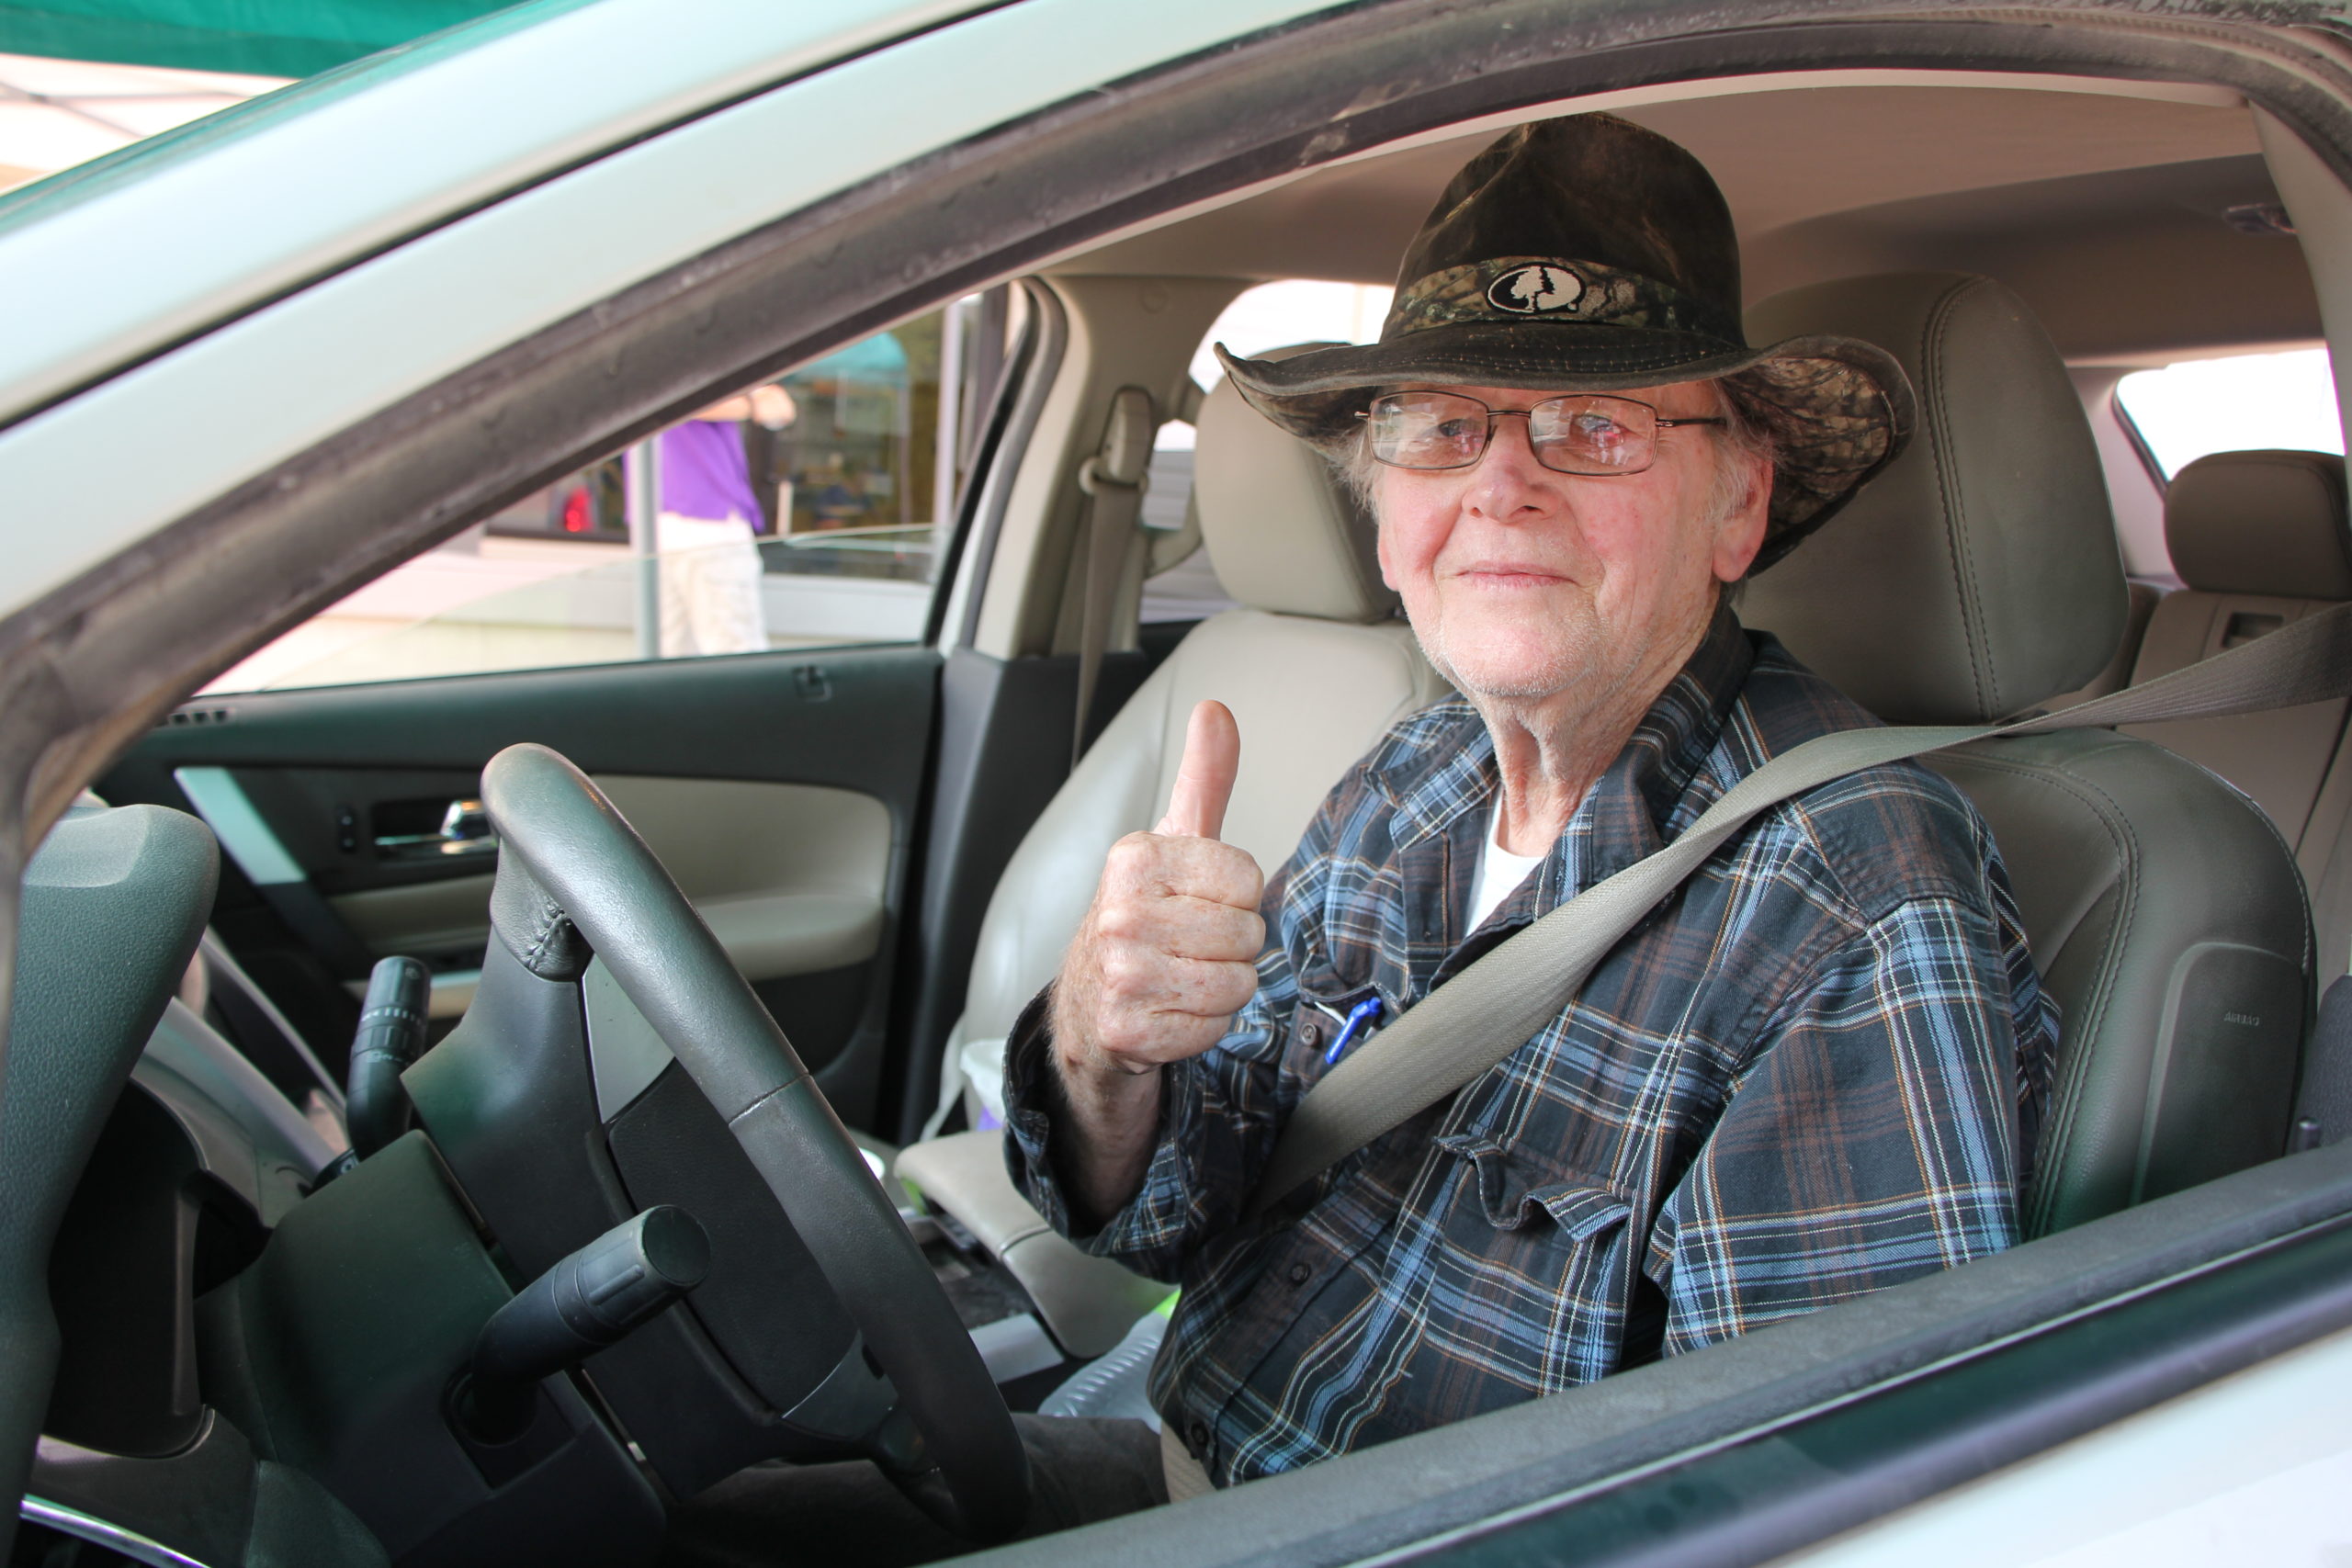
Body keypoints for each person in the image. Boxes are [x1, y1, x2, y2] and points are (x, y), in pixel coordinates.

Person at [1001, 111, 2058, 1498]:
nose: (1501, 484)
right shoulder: (1414, 776)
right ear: (1387, 516)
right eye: (1444, 427)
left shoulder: (1855, 897)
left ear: (1737, 507)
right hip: (1183, 1467)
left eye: (1597, 426)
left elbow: (1808, 1500)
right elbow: (1172, 1211)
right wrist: (1103, 1051)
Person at [655, 382, 796, 656]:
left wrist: (747, 403)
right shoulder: (685, 371)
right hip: (708, 523)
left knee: (671, 653)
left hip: (665, 523)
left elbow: (782, 408)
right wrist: (752, 404)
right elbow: (685, 399)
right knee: (736, 651)